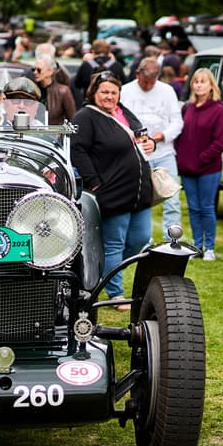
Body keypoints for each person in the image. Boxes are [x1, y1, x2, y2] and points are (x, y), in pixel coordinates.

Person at [71, 71, 156, 309]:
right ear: (94, 93)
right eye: (104, 92)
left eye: (113, 92)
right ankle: (115, 293)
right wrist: (95, 182)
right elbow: (77, 150)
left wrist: (151, 143)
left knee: (140, 238)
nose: (109, 96)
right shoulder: (85, 117)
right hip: (113, 191)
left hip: (139, 191)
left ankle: (103, 273)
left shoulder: (123, 112)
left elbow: (141, 136)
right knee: (114, 243)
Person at [119, 58, 184, 238]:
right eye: (145, 81)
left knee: (172, 199)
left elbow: (177, 122)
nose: (148, 86)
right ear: (137, 74)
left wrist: (162, 135)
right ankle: (142, 241)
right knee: (140, 200)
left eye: (152, 82)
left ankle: (172, 239)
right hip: (137, 154)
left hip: (164, 152)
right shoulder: (125, 91)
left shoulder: (167, 91)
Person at [176, 68, 223, 260]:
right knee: (193, 208)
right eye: (196, 81)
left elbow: (219, 143)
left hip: (209, 169)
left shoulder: (218, 110)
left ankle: (210, 247)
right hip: (187, 168)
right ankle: (197, 246)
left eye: (203, 81)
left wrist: (201, 159)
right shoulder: (187, 108)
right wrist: (181, 157)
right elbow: (179, 135)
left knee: (206, 207)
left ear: (211, 85)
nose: (198, 85)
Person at [32, 56, 76, 125]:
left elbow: (72, 118)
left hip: (54, 131)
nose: (35, 72)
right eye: (33, 69)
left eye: (39, 70)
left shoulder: (63, 91)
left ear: (50, 71)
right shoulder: (31, 89)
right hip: (33, 130)